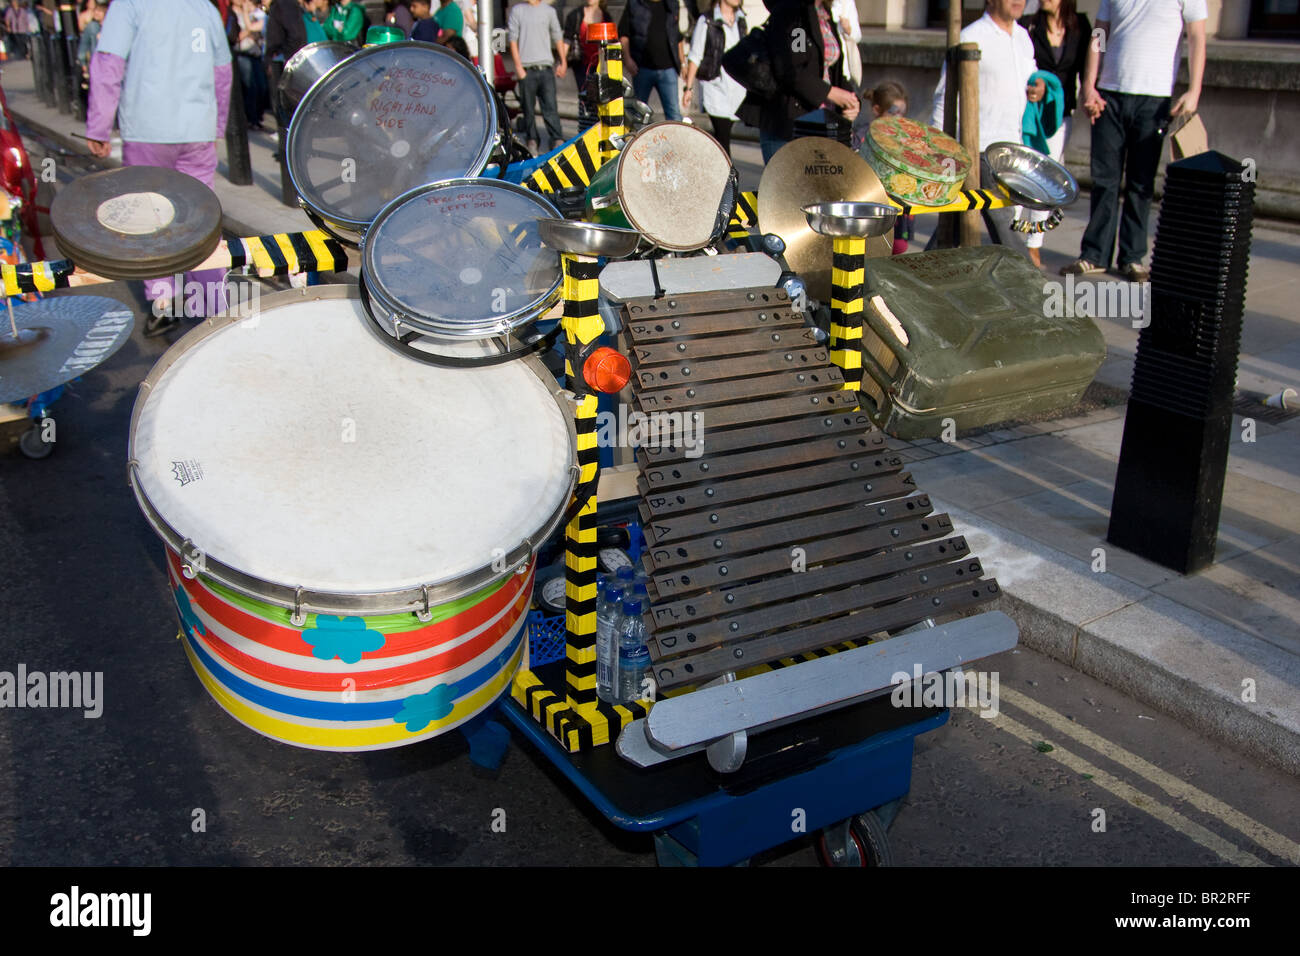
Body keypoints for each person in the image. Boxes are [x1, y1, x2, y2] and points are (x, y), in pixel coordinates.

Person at [85, 0, 231, 334]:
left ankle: (164, 301)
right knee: (201, 216)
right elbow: (222, 72)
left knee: (149, 215)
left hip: (148, 127)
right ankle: (211, 303)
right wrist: (217, 124)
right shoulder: (204, 8)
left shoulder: (128, 4)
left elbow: (109, 63)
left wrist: (99, 125)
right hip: (197, 128)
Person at [1063, 0, 1206, 281]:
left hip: (1154, 98)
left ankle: (1132, 257)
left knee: (1141, 182)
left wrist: (1194, 91)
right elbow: (1101, 33)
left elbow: (1198, 36)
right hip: (1109, 94)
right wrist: (1090, 85)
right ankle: (1094, 254)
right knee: (1104, 179)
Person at [930, 0, 1042, 252]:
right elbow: (945, 95)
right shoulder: (971, 37)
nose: (1019, 1)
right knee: (1005, 227)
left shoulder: (1024, 37)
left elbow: (1032, 76)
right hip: (979, 148)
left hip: (1013, 147)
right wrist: (935, 148)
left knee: (954, 225)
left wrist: (1039, 87)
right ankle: (1032, 286)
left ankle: (912, 279)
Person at [738, 0, 859, 164]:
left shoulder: (824, 13)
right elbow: (793, 69)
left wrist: (851, 99)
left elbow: (832, 68)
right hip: (789, 125)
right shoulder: (794, 14)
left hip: (822, 124)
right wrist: (831, 93)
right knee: (789, 188)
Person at [1019, 0, 1088, 269]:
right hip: (1030, 115)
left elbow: (1093, 57)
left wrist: (1093, 93)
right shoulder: (1028, 25)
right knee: (1025, 179)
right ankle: (1020, 241)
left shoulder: (1082, 27)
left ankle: (1034, 243)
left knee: (1046, 182)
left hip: (1061, 116)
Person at [681, 0, 745, 156]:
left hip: (737, 87)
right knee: (723, 138)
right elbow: (695, 56)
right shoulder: (707, 21)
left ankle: (719, 172)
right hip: (716, 86)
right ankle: (728, 177)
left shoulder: (741, 19)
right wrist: (688, 88)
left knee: (723, 138)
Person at [508, 0, 567, 153]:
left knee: (550, 106)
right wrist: (518, 66)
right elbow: (512, 40)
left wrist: (563, 61)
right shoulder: (518, 11)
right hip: (527, 68)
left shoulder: (549, 11)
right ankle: (532, 139)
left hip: (546, 67)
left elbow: (557, 36)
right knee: (528, 108)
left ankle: (557, 138)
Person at [619, 0, 682, 124]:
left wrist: (682, 62)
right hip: (642, 67)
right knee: (638, 115)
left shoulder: (671, 3)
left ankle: (678, 142)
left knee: (674, 114)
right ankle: (638, 142)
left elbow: (676, 35)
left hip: (668, 68)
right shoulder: (635, 3)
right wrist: (627, 59)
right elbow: (624, 34)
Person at [564, 0, 613, 133]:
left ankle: (599, 131)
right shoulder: (575, 15)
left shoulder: (606, 16)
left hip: (601, 66)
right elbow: (567, 39)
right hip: (582, 65)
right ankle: (585, 131)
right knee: (585, 99)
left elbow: (612, 41)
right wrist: (562, 62)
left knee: (601, 100)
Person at [233, 0, 268, 131]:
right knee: (250, 87)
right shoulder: (235, 14)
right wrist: (249, 29)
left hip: (256, 54)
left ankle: (257, 117)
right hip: (243, 53)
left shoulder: (253, 13)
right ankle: (251, 119)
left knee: (261, 87)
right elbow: (238, 36)